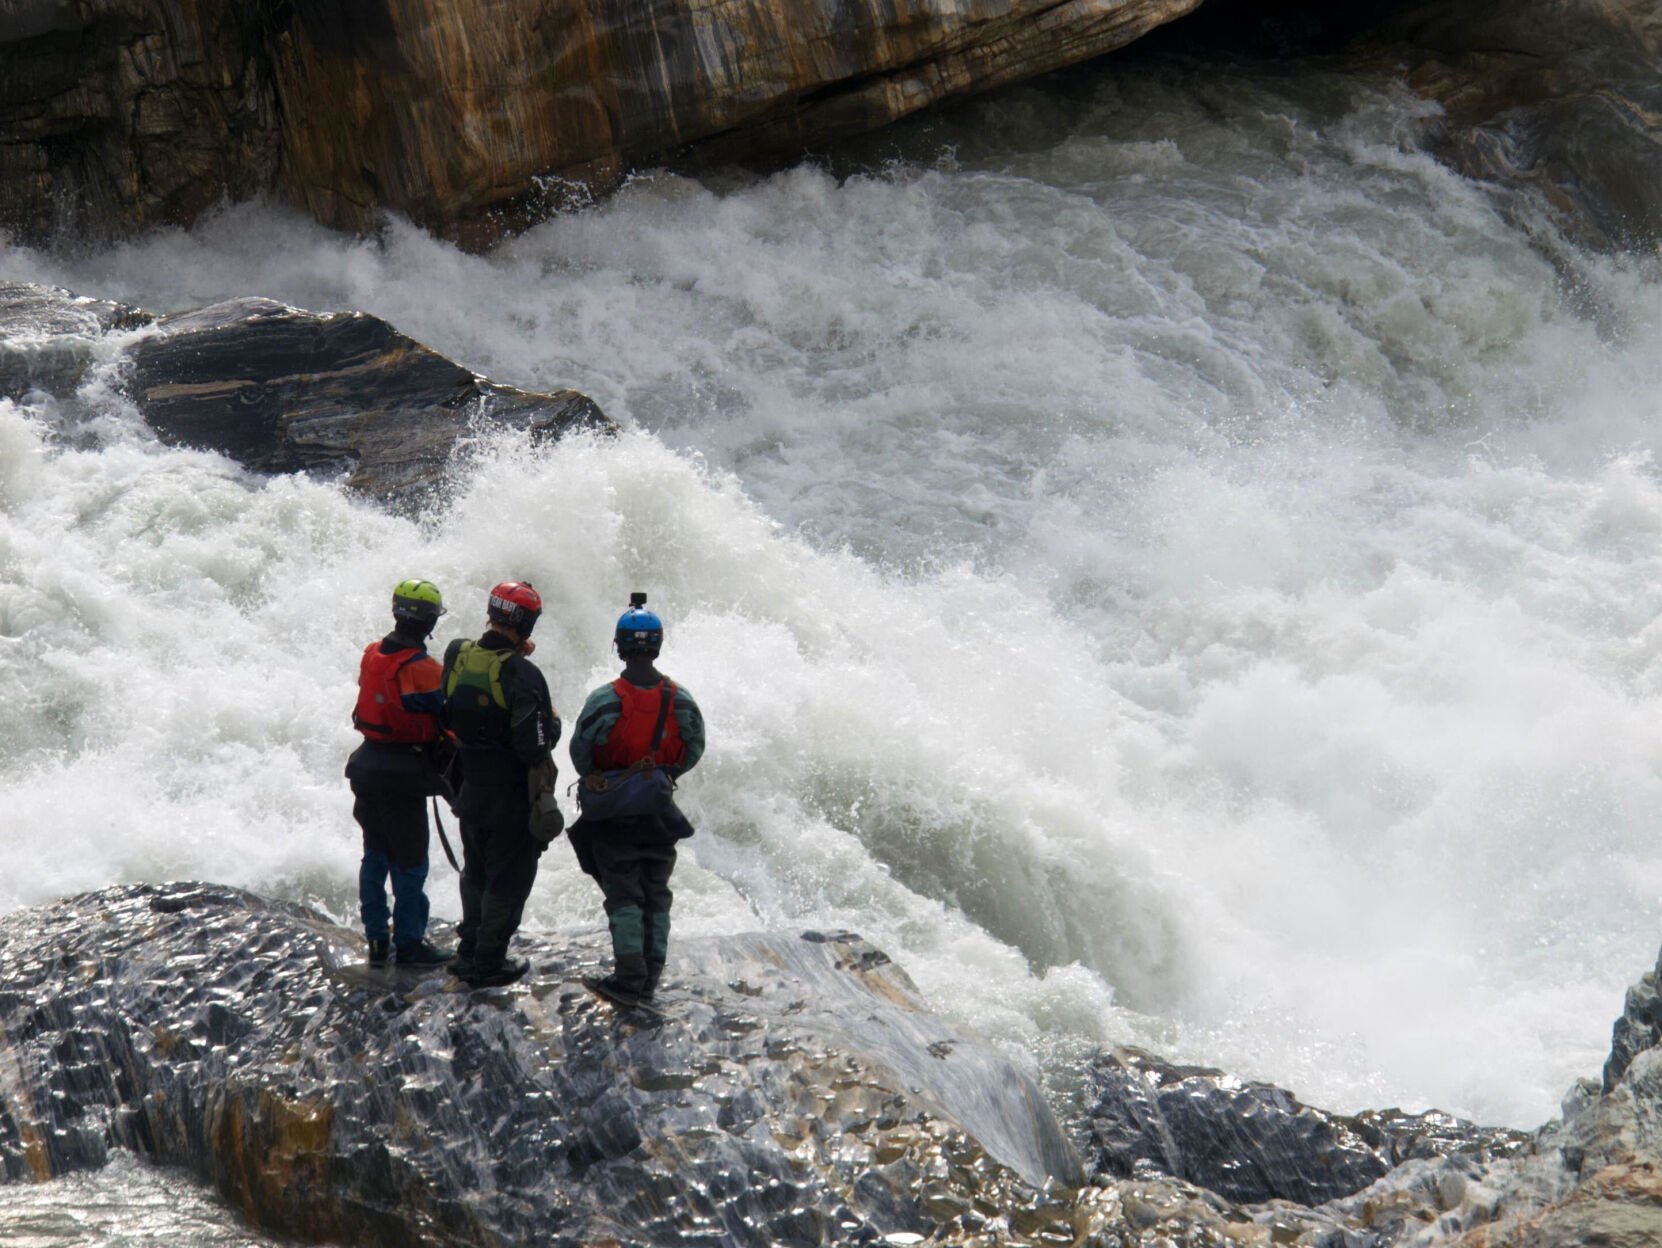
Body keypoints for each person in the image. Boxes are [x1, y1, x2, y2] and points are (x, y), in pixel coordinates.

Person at [569, 592, 705, 1005]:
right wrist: (661, 776)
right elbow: (694, 746)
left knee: (624, 892)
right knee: (656, 893)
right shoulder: (680, 698)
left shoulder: (605, 698)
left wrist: (608, 780)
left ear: (620, 647)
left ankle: (629, 978)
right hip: (659, 808)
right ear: (658, 645)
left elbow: (581, 752)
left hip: (614, 813)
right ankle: (651, 977)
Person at [441, 580, 561, 988]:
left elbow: (452, 709)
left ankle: (468, 951)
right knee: (508, 880)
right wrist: (554, 720)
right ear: (526, 623)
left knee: (474, 871)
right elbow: (535, 747)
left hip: (469, 789)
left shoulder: (458, 653)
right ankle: (490, 962)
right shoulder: (524, 674)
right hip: (510, 797)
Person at [345, 578, 456, 968]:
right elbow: (448, 717)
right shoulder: (426, 669)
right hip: (404, 773)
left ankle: (376, 939)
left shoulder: (371, 654)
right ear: (429, 622)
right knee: (410, 861)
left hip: (367, 766)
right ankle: (409, 942)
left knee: (374, 854)